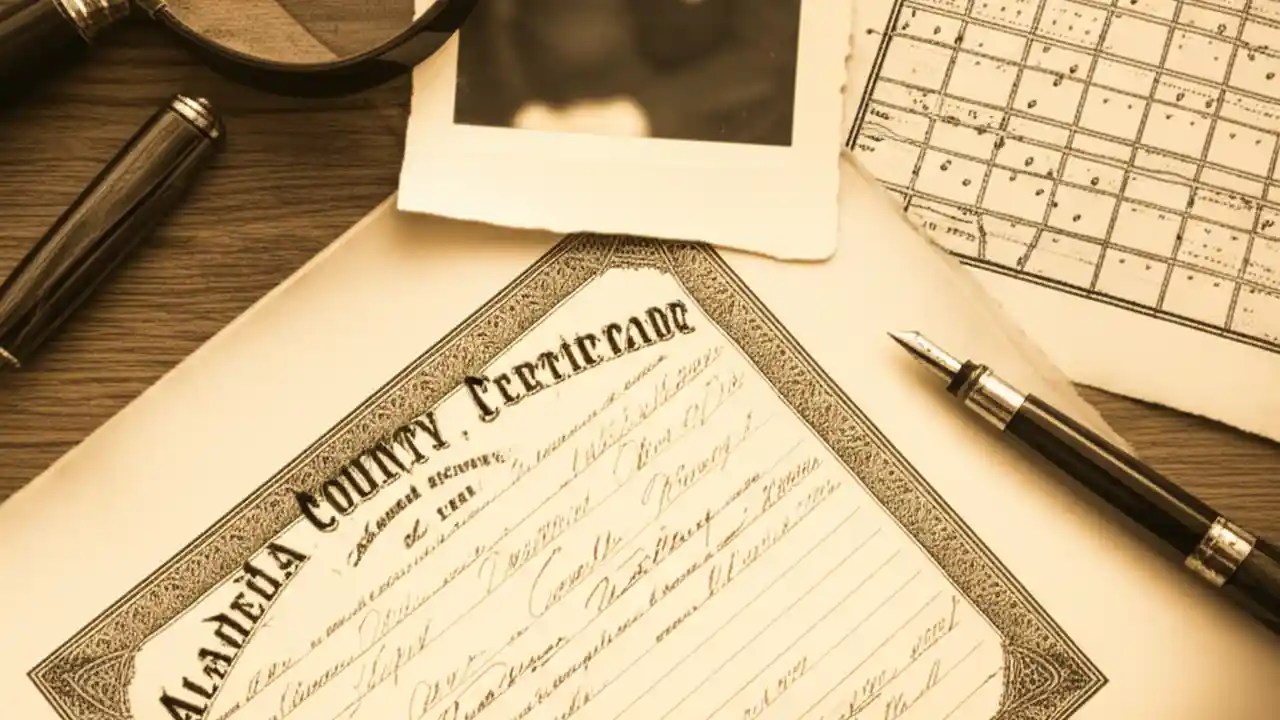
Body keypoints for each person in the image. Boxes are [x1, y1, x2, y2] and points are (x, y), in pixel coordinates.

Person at [455, 0, 803, 146]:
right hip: (540, 132)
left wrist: (642, 117)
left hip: (711, 138)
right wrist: (520, 115)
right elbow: (477, 27)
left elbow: (776, 54)